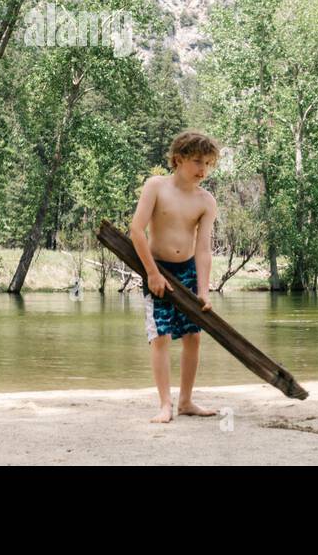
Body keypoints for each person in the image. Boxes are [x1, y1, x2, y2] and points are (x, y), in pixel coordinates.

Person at [128, 130, 220, 423]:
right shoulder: (156, 187)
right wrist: (152, 274)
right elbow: (136, 231)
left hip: (189, 271)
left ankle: (186, 401)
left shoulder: (206, 201)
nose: (203, 169)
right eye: (196, 161)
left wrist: (203, 291)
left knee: (193, 337)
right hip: (158, 268)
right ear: (178, 160)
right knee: (162, 337)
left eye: (208, 163)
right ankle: (165, 404)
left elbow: (204, 249)